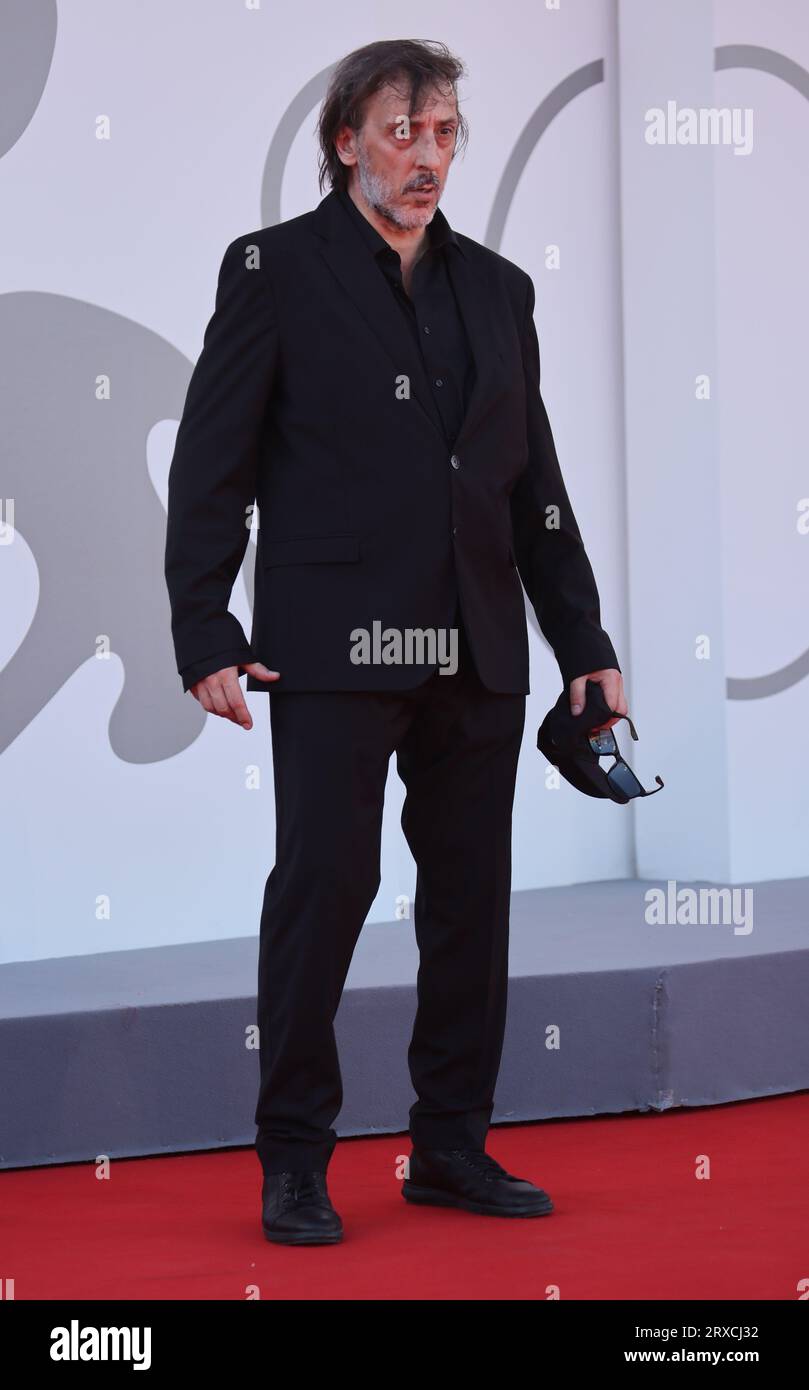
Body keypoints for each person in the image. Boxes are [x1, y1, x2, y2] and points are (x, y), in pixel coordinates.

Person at [164, 38, 626, 1246]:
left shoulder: (497, 289)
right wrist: (203, 624)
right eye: (402, 132)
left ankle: (450, 1147)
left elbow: (534, 486)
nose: (427, 157)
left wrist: (582, 639)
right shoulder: (271, 272)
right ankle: (294, 1159)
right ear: (344, 143)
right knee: (325, 892)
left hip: (477, 644)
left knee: (471, 902)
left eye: (443, 135)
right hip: (332, 643)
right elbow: (211, 468)